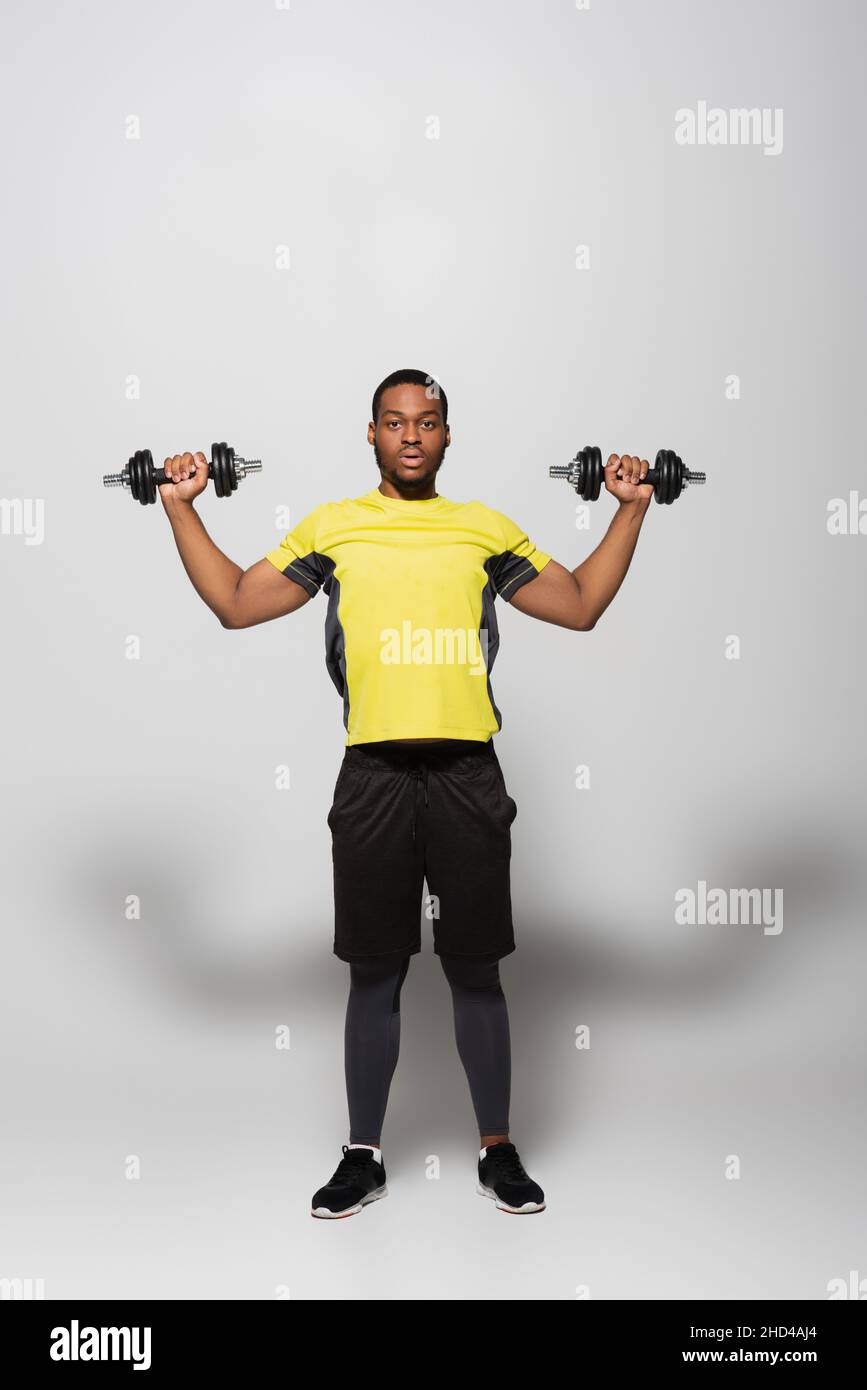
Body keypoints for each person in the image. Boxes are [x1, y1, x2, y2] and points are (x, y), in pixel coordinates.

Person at [158, 368, 654, 1217]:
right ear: (371, 434)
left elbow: (576, 606)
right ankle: (364, 1155)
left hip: (466, 774)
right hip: (373, 775)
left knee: (476, 970)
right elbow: (237, 603)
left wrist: (630, 509)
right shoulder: (335, 528)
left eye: (426, 422)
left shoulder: (482, 529)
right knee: (373, 972)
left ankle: (496, 1150)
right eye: (394, 423)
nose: (411, 436)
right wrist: (181, 508)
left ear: (448, 435)